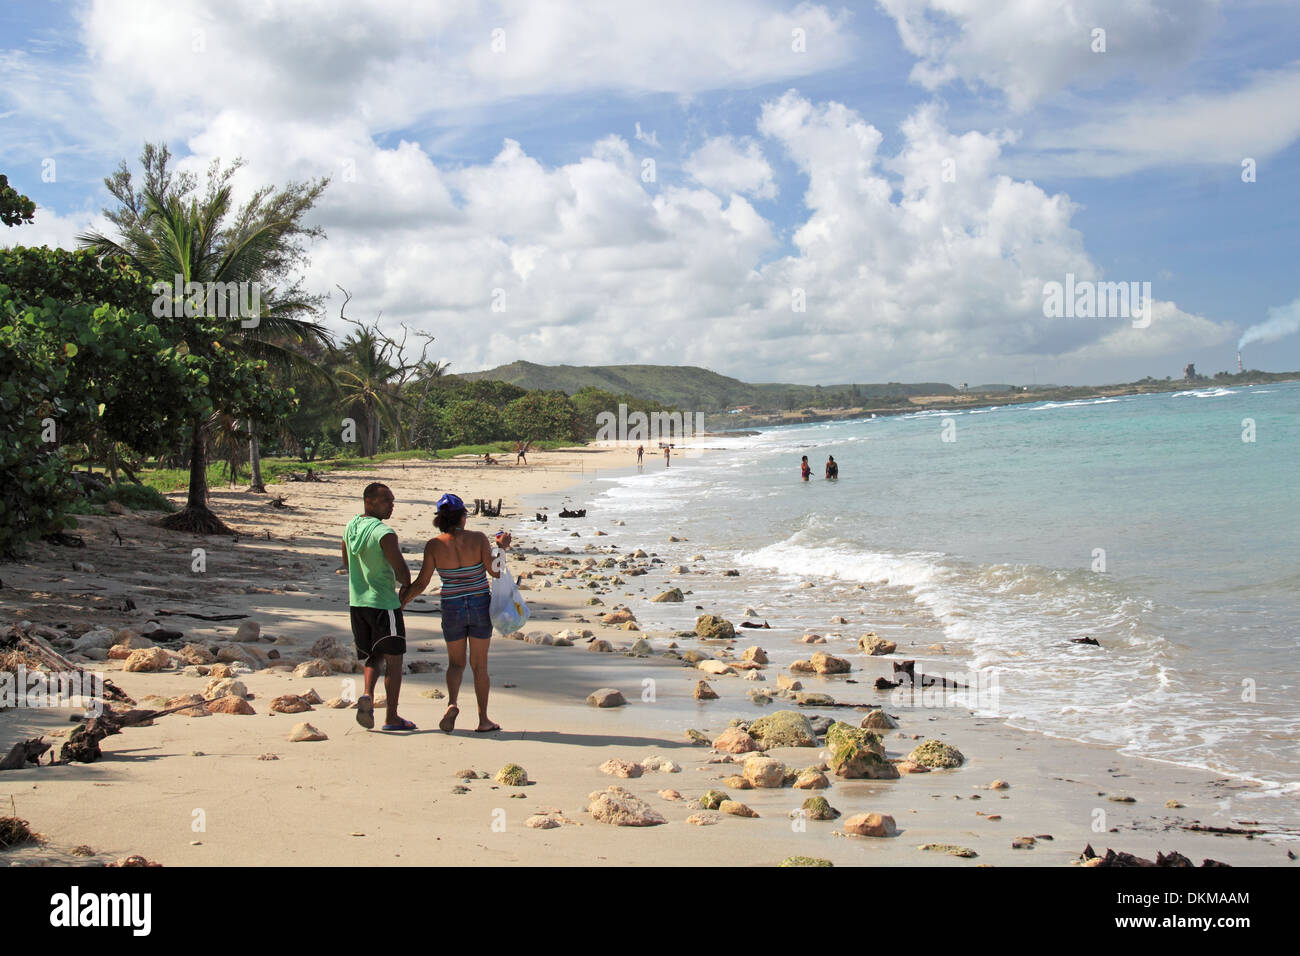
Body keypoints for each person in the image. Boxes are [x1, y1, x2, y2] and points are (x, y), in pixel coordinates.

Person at [404, 493, 501, 734]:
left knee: (456, 664)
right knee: (480, 666)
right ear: (462, 517)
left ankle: (452, 703)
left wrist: (401, 602)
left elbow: (422, 583)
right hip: (479, 605)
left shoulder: (434, 545)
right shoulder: (478, 539)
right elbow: (495, 572)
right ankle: (483, 720)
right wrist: (501, 549)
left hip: (452, 607)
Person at [342, 482, 415, 732]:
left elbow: (346, 561)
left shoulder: (351, 527)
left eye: (393, 501)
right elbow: (402, 572)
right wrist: (406, 586)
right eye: (387, 501)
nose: (392, 506)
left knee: (373, 655)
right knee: (395, 662)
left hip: (357, 603)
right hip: (383, 604)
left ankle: (366, 696)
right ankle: (392, 716)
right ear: (369, 502)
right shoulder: (384, 533)